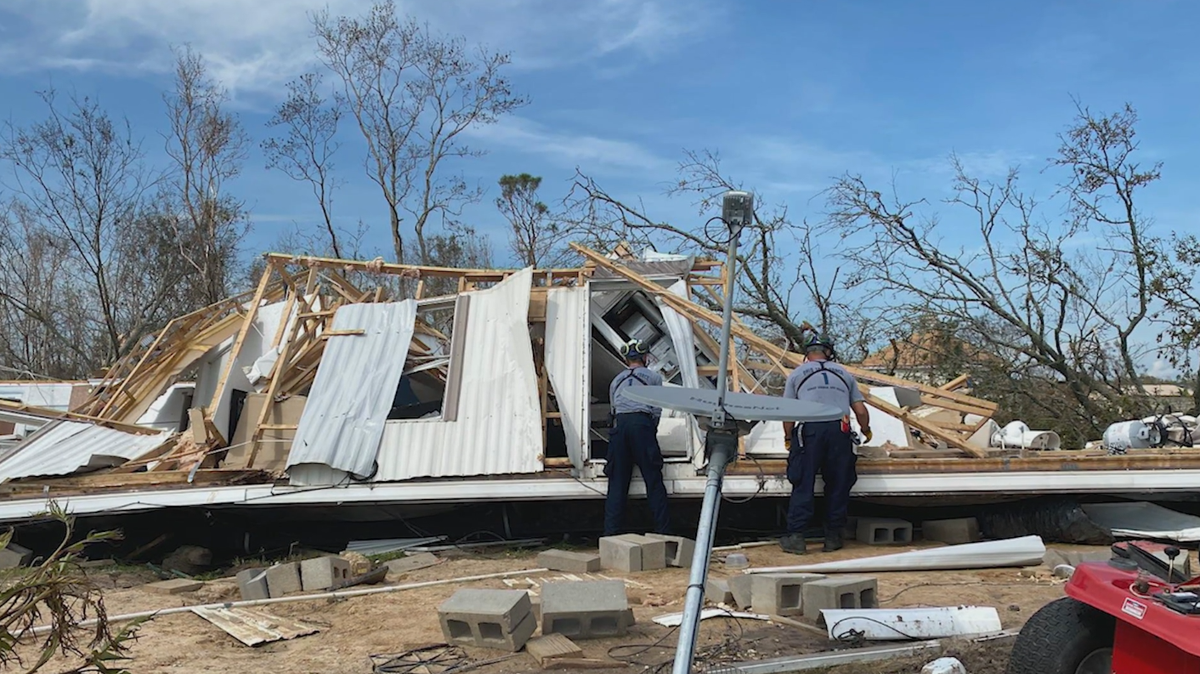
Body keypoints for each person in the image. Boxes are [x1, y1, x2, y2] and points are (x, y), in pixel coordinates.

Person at [780, 334, 872, 554]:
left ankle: (796, 537)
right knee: (839, 483)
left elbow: (787, 412)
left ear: (807, 353)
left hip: (809, 428)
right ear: (829, 352)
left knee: (803, 481)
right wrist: (866, 429)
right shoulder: (844, 374)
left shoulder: (797, 374)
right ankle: (833, 536)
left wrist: (788, 437)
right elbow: (860, 410)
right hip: (839, 429)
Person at [603, 340, 671, 536]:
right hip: (641, 424)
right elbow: (657, 409)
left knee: (617, 483)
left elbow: (613, 409)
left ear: (626, 359)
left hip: (620, 426)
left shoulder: (616, 380)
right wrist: (649, 433)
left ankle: (610, 535)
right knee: (653, 480)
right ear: (645, 358)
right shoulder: (653, 377)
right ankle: (663, 532)